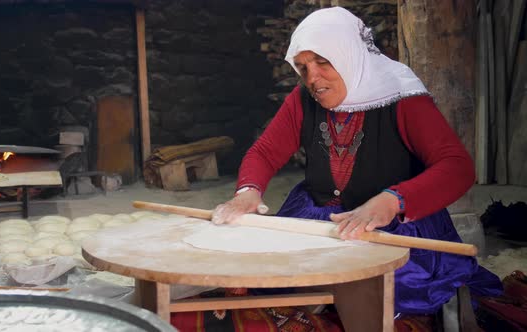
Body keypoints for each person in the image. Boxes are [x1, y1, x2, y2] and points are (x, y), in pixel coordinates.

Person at [212, 7, 502, 315]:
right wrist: (249, 191)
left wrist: (393, 201)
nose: (313, 78)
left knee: (381, 286)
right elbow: (266, 152)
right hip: (318, 219)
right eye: (302, 67)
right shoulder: (302, 99)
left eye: (323, 62)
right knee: (276, 271)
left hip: (390, 228)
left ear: (349, 54)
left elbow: (457, 166)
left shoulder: (402, 98)